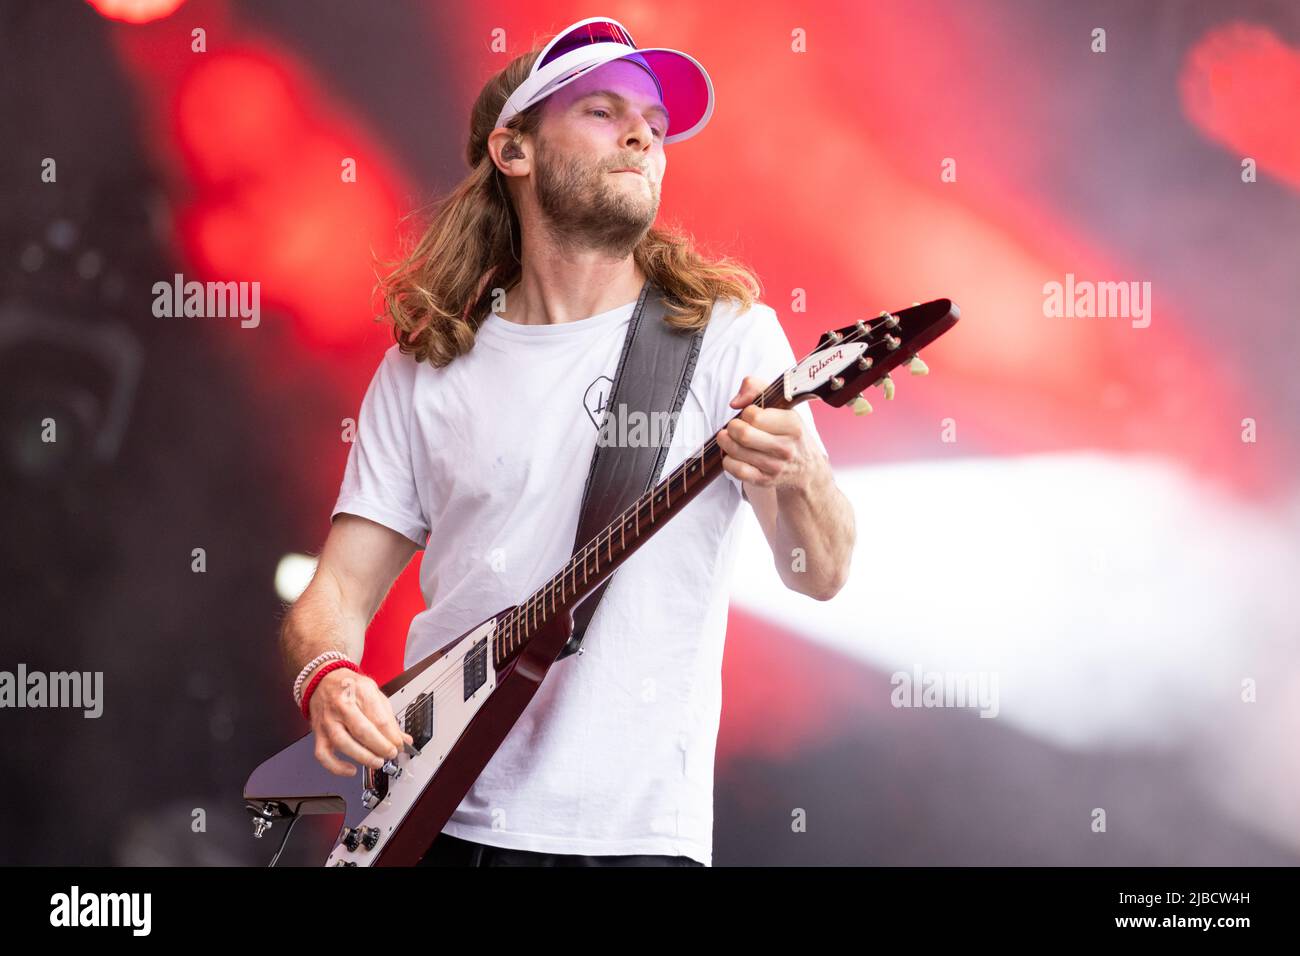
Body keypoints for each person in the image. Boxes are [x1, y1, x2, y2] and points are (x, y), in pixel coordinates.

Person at [279, 17, 856, 867]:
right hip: (432, 819)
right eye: (602, 111)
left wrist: (804, 473)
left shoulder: (727, 339)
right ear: (514, 151)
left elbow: (824, 574)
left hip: (632, 840)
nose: (642, 135)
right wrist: (326, 677)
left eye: (656, 127)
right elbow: (334, 594)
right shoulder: (427, 368)